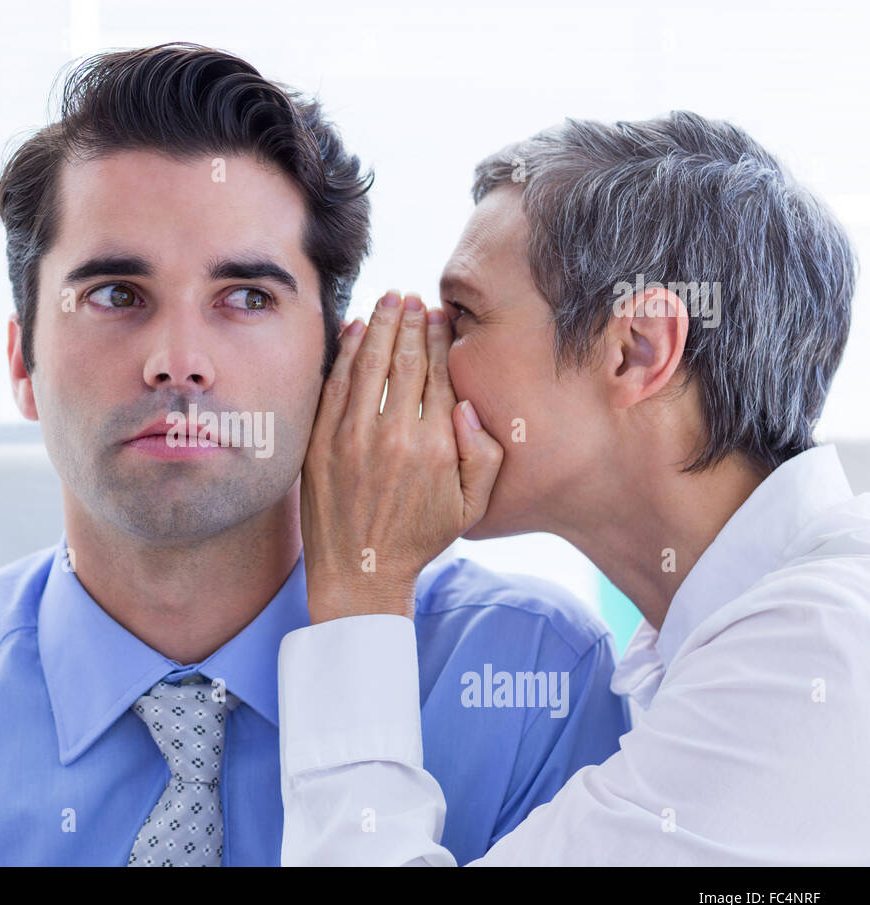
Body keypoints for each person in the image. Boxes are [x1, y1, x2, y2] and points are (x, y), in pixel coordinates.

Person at [0, 43, 626, 867]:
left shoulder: (534, 698)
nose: (178, 362)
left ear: (337, 358)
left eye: (247, 298)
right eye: (116, 294)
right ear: (23, 363)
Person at [279, 112, 870, 865]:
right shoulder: (744, 639)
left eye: (462, 314)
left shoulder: (812, 657)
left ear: (636, 351)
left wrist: (361, 596)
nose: (419, 350)